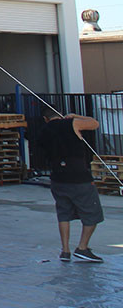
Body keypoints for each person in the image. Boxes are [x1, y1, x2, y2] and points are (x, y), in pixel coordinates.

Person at [38, 108, 105, 262]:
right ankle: (82, 247)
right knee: (92, 213)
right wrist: (76, 116)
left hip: (57, 178)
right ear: (60, 115)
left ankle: (65, 251)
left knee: (63, 213)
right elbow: (94, 124)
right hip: (78, 177)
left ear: (45, 119)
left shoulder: (43, 132)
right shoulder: (70, 123)